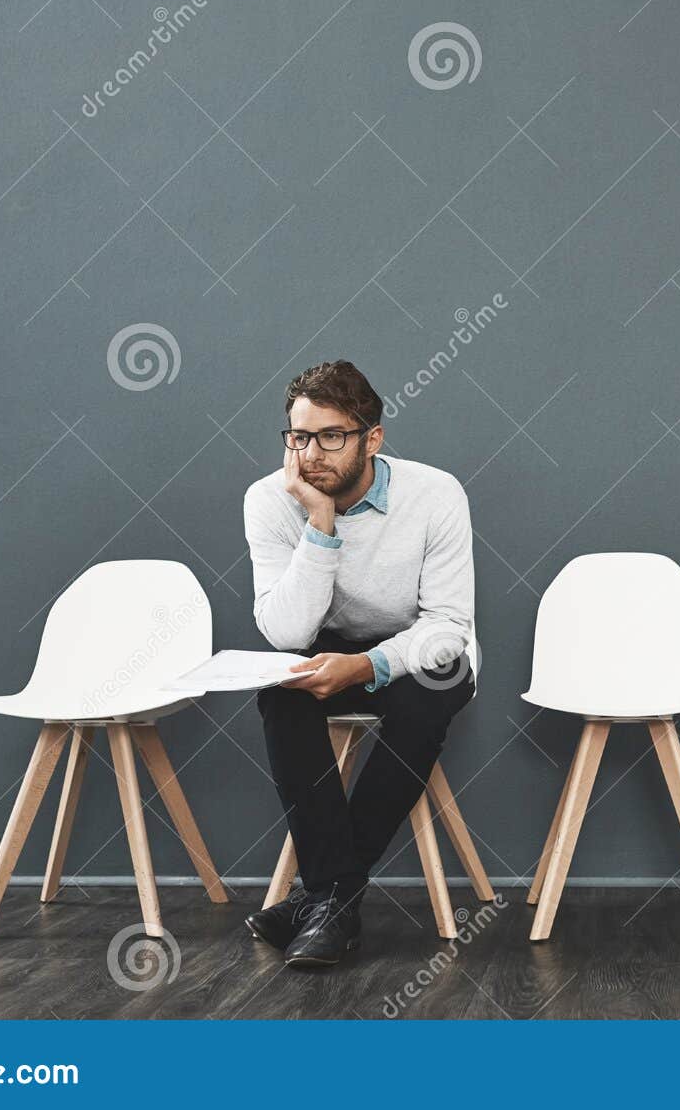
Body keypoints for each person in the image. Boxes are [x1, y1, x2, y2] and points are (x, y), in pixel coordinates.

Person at [242, 360, 475, 968]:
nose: (310, 453)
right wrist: (320, 524)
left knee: (423, 706)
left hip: (422, 654)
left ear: (372, 437)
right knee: (279, 693)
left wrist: (366, 665)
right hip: (322, 651)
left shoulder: (436, 493)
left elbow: (448, 626)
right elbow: (287, 630)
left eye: (330, 436)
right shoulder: (271, 500)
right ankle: (334, 901)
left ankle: (323, 899)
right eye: (298, 436)